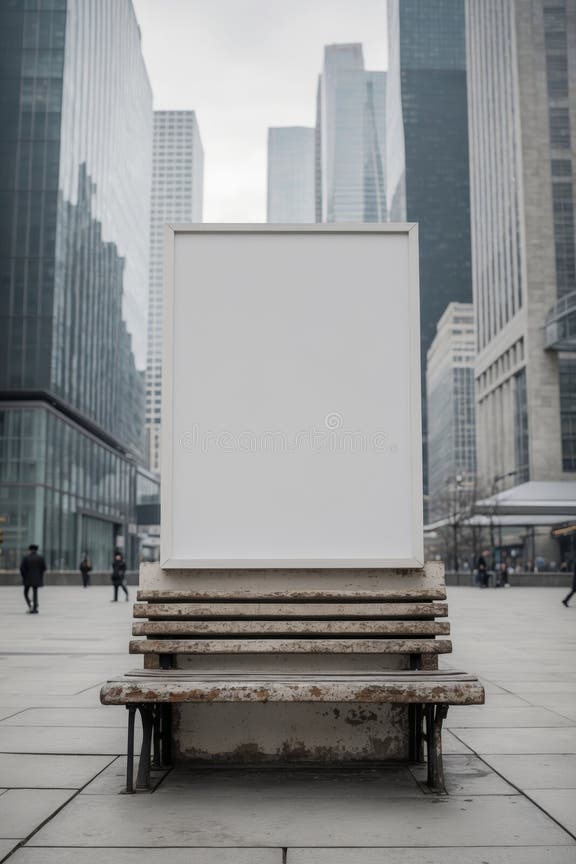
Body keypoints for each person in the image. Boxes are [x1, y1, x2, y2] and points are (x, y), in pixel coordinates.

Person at [20, 544, 47, 614]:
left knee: (25, 593)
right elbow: (44, 568)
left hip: (27, 578)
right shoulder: (40, 558)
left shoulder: (26, 557)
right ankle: (35, 607)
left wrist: (24, 576)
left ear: (30, 550)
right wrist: (39, 575)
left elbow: (22, 569)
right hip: (37, 578)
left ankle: (30, 605)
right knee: (35, 593)